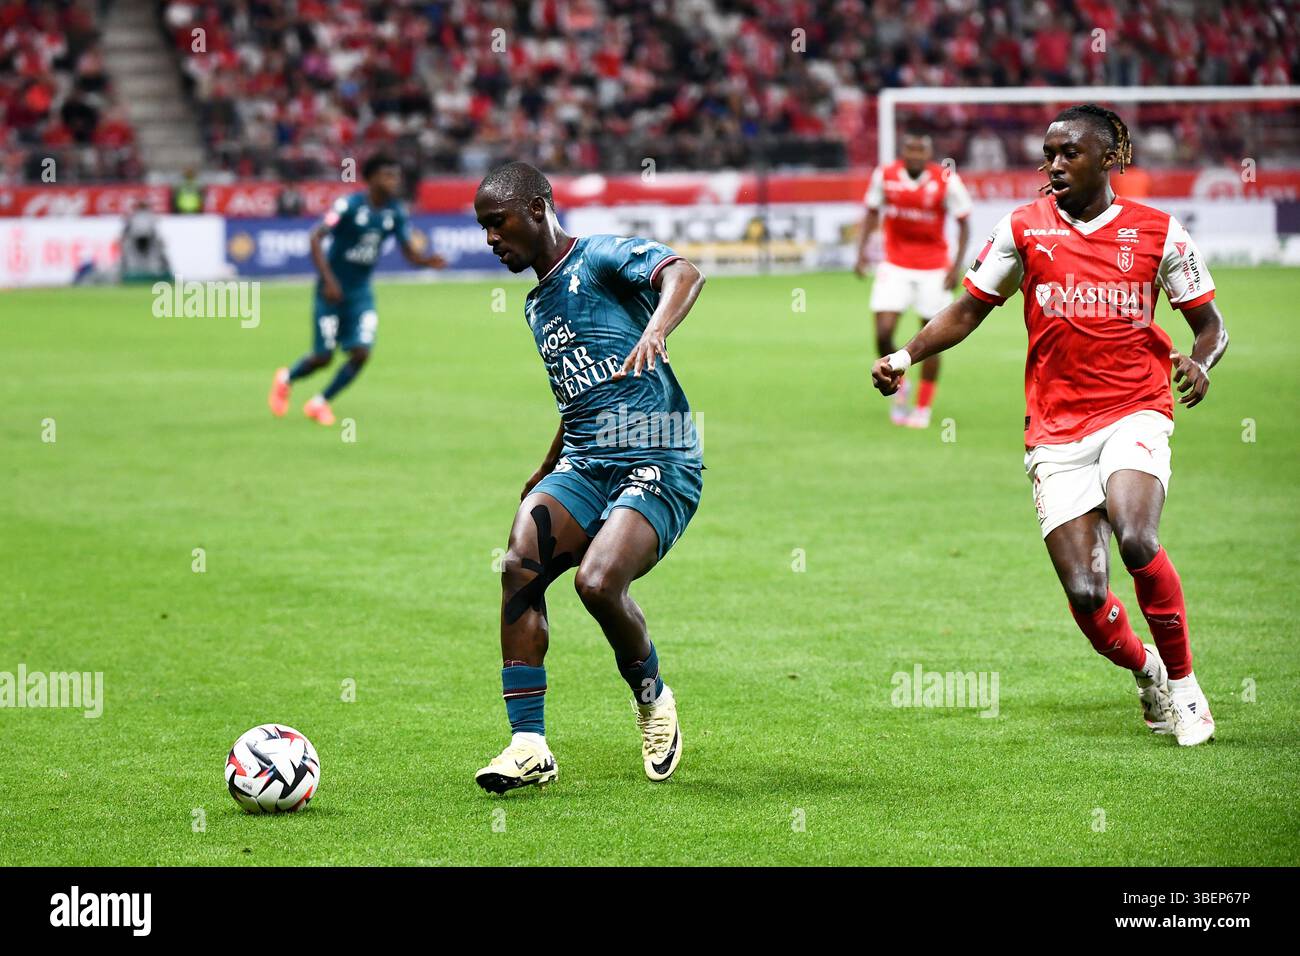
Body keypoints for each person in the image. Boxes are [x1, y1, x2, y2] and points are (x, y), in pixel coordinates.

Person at [871, 104, 1228, 746]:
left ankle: (1185, 685)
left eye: (1070, 153)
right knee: (1088, 593)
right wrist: (904, 356)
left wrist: (1201, 363)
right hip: (1056, 427)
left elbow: (1210, 324)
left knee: (1137, 537)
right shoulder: (1023, 229)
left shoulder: (1158, 231)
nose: (1054, 164)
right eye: (1049, 152)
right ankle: (1145, 669)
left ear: (1109, 158)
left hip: (1135, 407)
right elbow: (967, 309)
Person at [471, 162, 707, 793]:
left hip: (661, 452)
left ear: (539, 207)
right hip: (585, 460)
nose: (491, 239)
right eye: (484, 229)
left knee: (598, 583)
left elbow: (685, 273)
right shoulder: (535, 305)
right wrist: (547, 466)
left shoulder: (601, 257)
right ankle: (528, 745)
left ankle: (652, 696)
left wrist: (657, 327)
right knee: (519, 563)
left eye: (499, 223)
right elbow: (577, 395)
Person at [267, 155, 445, 425]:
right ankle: (286, 378)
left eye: (396, 176)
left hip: (360, 292)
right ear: (371, 178)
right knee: (323, 357)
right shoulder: (348, 206)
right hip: (330, 291)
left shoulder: (394, 211)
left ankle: (319, 403)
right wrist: (328, 281)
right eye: (388, 175)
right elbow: (315, 237)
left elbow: (409, 252)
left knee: (362, 352)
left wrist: (427, 261)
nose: (394, 181)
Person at [855, 128, 972, 428]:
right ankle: (897, 376)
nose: (915, 155)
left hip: (934, 268)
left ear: (928, 154)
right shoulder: (885, 175)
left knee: (931, 337)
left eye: (921, 150)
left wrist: (956, 265)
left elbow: (964, 223)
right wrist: (861, 251)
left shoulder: (946, 179)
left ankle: (922, 407)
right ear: (903, 152)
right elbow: (870, 212)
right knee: (883, 332)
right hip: (894, 264)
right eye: (911, 150)